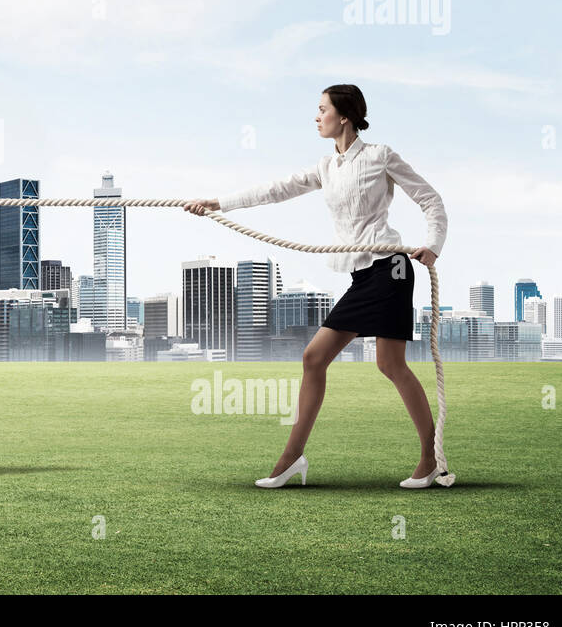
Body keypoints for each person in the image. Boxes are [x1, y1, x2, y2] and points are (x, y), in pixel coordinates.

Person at [184, 84, 448, 489]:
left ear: (343, 115)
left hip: (391, 269)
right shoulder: (326, 167)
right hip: (362, 275)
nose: (316, 116)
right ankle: (292, 459)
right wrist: (218, 203)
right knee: (314, 359)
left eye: (322, 109)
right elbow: (275, 190)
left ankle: (430, 459)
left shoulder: (381, 156)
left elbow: (431, 200)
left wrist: (432, 246)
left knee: (388, 365)